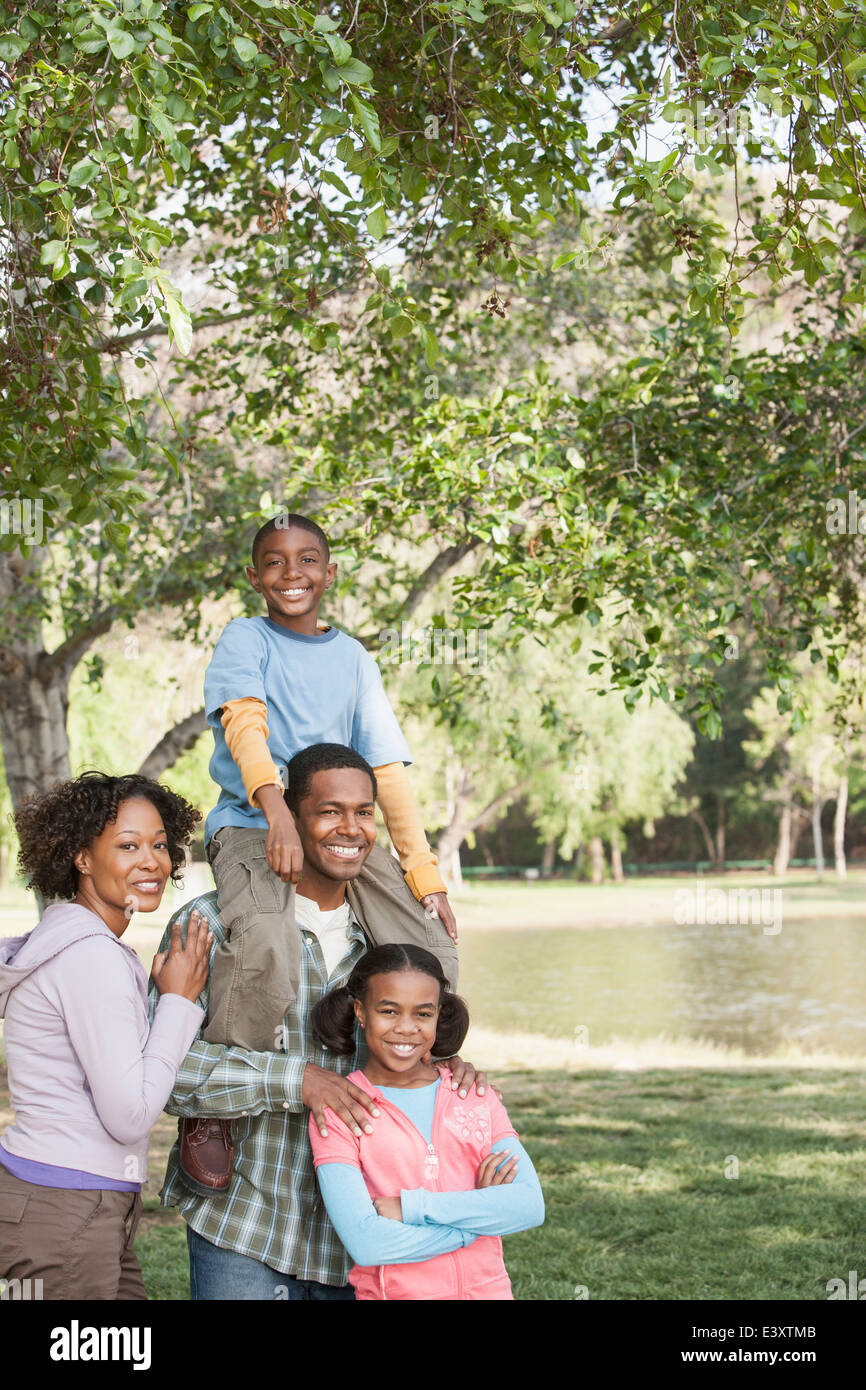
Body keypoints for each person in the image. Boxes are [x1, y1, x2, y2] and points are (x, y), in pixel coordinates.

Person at [183, 510, 458, 1190]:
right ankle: (211, 1112)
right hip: (254, 820)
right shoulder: (246, 638)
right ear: (254, 577)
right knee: (267, 941)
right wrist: (274, 808)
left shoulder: (353, 658)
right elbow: (245, 722)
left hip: (339, 826)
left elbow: (387, 771)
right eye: (274, 562)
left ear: (329, 573)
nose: (292, 574)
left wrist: (424, 874)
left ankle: (423, 1082)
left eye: (308, 560)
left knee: (431, 948)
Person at [152, 744, 486, 1300]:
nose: (350, 828)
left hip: (357, 1240)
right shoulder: (213, 924)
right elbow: (164, 1070)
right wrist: (297, 1080)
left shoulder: (393, 948)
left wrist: (449, 1072)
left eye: (364, 813)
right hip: (243, 1225)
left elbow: (412, 1060)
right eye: (330, 811)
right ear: (289, 817)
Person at [0, 772, 211, 1301]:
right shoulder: (91, 955)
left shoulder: (68, 936)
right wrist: (179, 1002)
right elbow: (130, 1115)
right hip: (65, 1206)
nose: (152, 860)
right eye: (127, 845)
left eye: (160, 844)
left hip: (69, 1199)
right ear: (81, 857)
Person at [308, 943, 544, 1300]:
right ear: (360, 1011)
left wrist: (413, 1209)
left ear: (438, 1015)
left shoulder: (474, 1095)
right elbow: (369, 1242)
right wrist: (478, 1218)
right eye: (389, 1011)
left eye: (423, 1014)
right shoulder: (342, 1109)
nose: (406, 1029)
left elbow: (528, 1206)